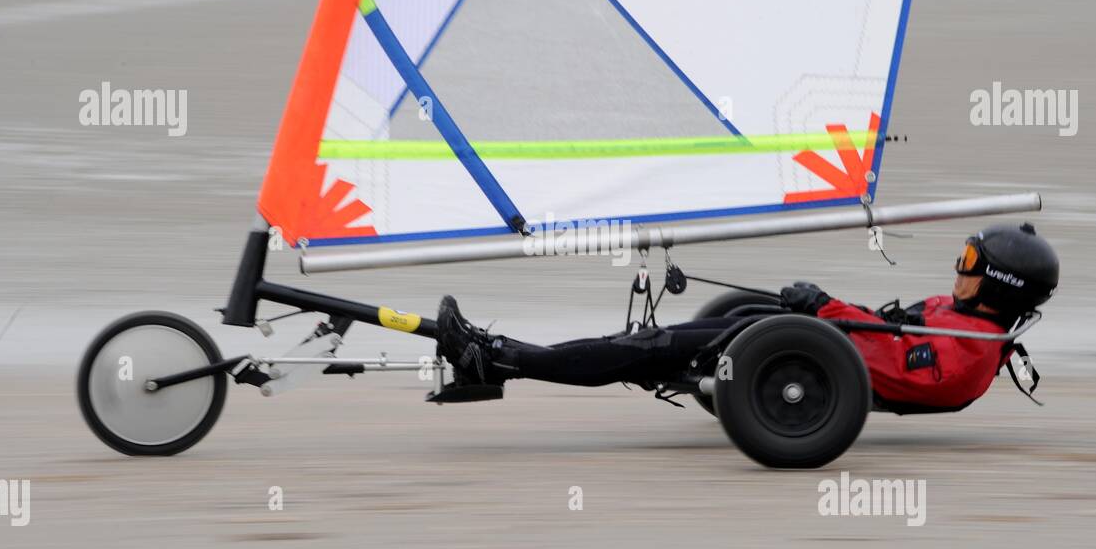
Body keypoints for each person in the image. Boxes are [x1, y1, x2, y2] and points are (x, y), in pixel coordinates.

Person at [436, 223, 1059, 413]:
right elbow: (882, 332)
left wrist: (822, 308)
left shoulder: (967, 346)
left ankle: (498, 359)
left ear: (1000, 282)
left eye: (972, 259)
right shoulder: (965, 317)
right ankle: (500, 353)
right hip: (822, 344)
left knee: (654, 346)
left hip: (820, 367)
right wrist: (818, 307)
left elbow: (888, 366)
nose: (959, 264)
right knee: (702, 329)